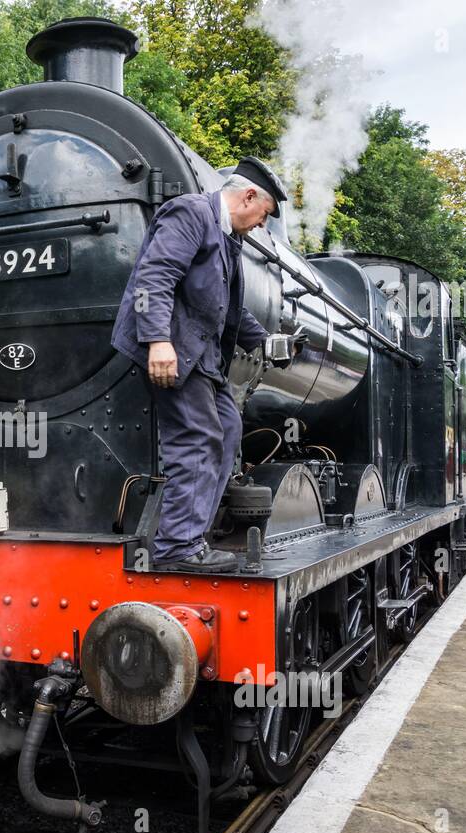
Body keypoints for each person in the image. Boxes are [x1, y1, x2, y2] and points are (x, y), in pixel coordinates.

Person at [111, 157, 306, 572]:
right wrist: (157, 340)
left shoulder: (228, 239)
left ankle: (192, 536)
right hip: (175, 349)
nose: (261, 226)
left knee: (229, 430)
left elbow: (231, 310)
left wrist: (269, 341)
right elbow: (154, 276)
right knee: (197, 438)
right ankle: (176, 548)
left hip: (202, 359)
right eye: (264, 216)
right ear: (248, 196)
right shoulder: (191, 212)